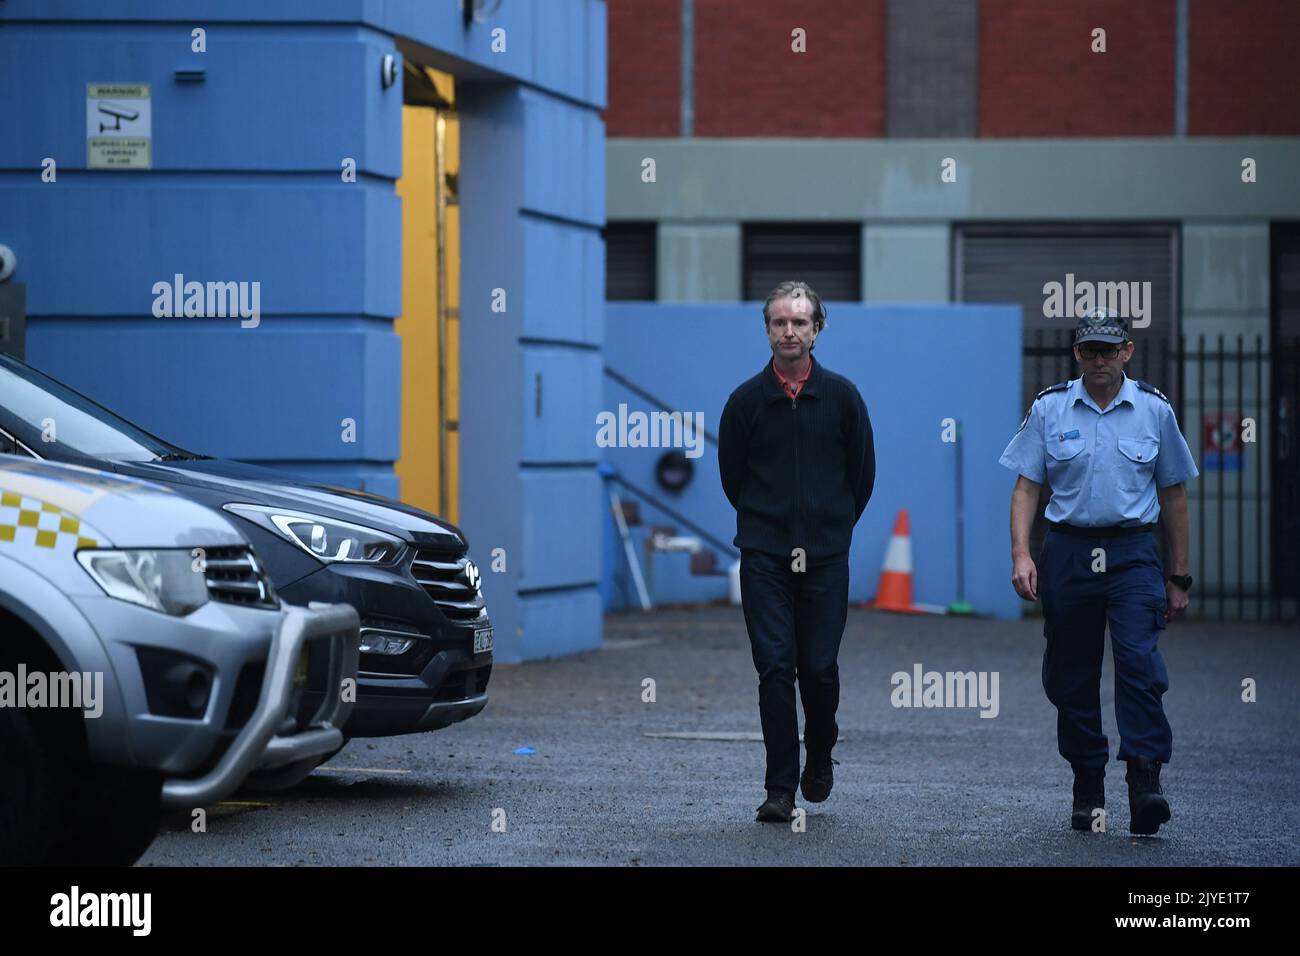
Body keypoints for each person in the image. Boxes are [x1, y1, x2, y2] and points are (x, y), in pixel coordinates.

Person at [999, 307, 1198, 836]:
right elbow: (1026, 487)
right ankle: (1088, 782)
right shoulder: (1050, 408)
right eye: (1091, 350)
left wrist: (1178, 576)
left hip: (1132, 552)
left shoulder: (1154, 411)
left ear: (1127, 352)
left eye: (1110, 350)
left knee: (1138, 661)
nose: (1100, 360)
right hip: (1068, 551)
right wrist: (1022, 553)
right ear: (1077, 353)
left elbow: (1174, 494)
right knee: (1071, 672)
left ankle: (1144, 780)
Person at [718, 280, 876, 823]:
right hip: (764, 556)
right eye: (780, 322)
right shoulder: (745, 402)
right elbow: (732, 478)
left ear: (817, 330)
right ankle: (780, 787)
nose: (790, 331)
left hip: (826, 558)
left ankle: (822, 753)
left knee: (820, 669)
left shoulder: (843, 398)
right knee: (775, 669)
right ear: (767, 330)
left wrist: (829, 529)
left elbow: (862, 476)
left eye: (800, 322)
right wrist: (771, 527)